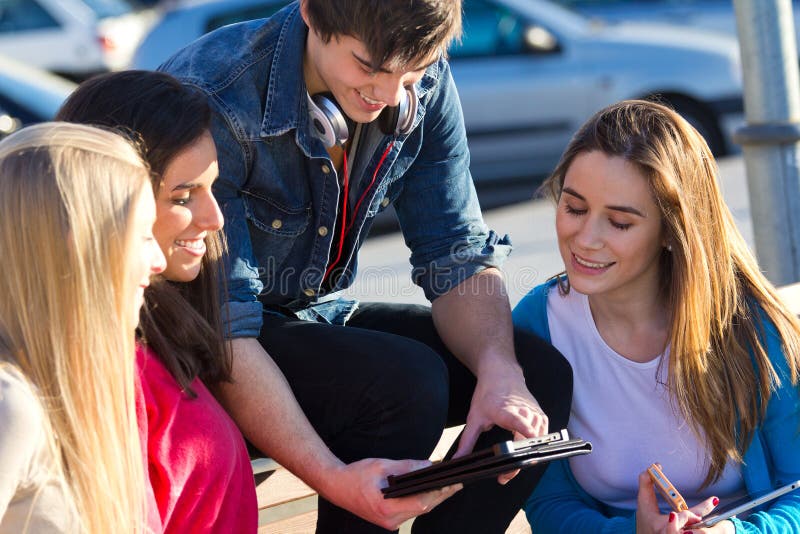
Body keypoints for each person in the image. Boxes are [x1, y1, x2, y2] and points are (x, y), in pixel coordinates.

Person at [159, 0, 573, 532]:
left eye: (412, 73)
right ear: (311, 12)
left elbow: (456, 253)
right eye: (369, 67)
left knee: (539, 376)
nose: (389, 95)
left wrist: (499, 371)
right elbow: (225, 329)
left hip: (306, 317)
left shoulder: (419, 80)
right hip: (202, 338)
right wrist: (334, 477)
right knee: (401, 381)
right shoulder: (217, 95)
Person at [512, 100, 800, 533]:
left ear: (671, 231)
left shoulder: (753, 327)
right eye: (574, 208)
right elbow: (549, 502)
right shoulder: (536, 326)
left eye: (620, 223)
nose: (586, 239)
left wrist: (736, 532)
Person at [56, 70, 259, 533]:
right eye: (184, 196)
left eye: (215, 188)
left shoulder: (168, 336)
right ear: (107, 199)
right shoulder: (105, 364)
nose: (214, 218)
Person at [0, 122, 166, 533]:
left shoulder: (71, 390)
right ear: (82, 246)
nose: (159, 259)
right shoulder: (11, 406)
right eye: (143, 236)